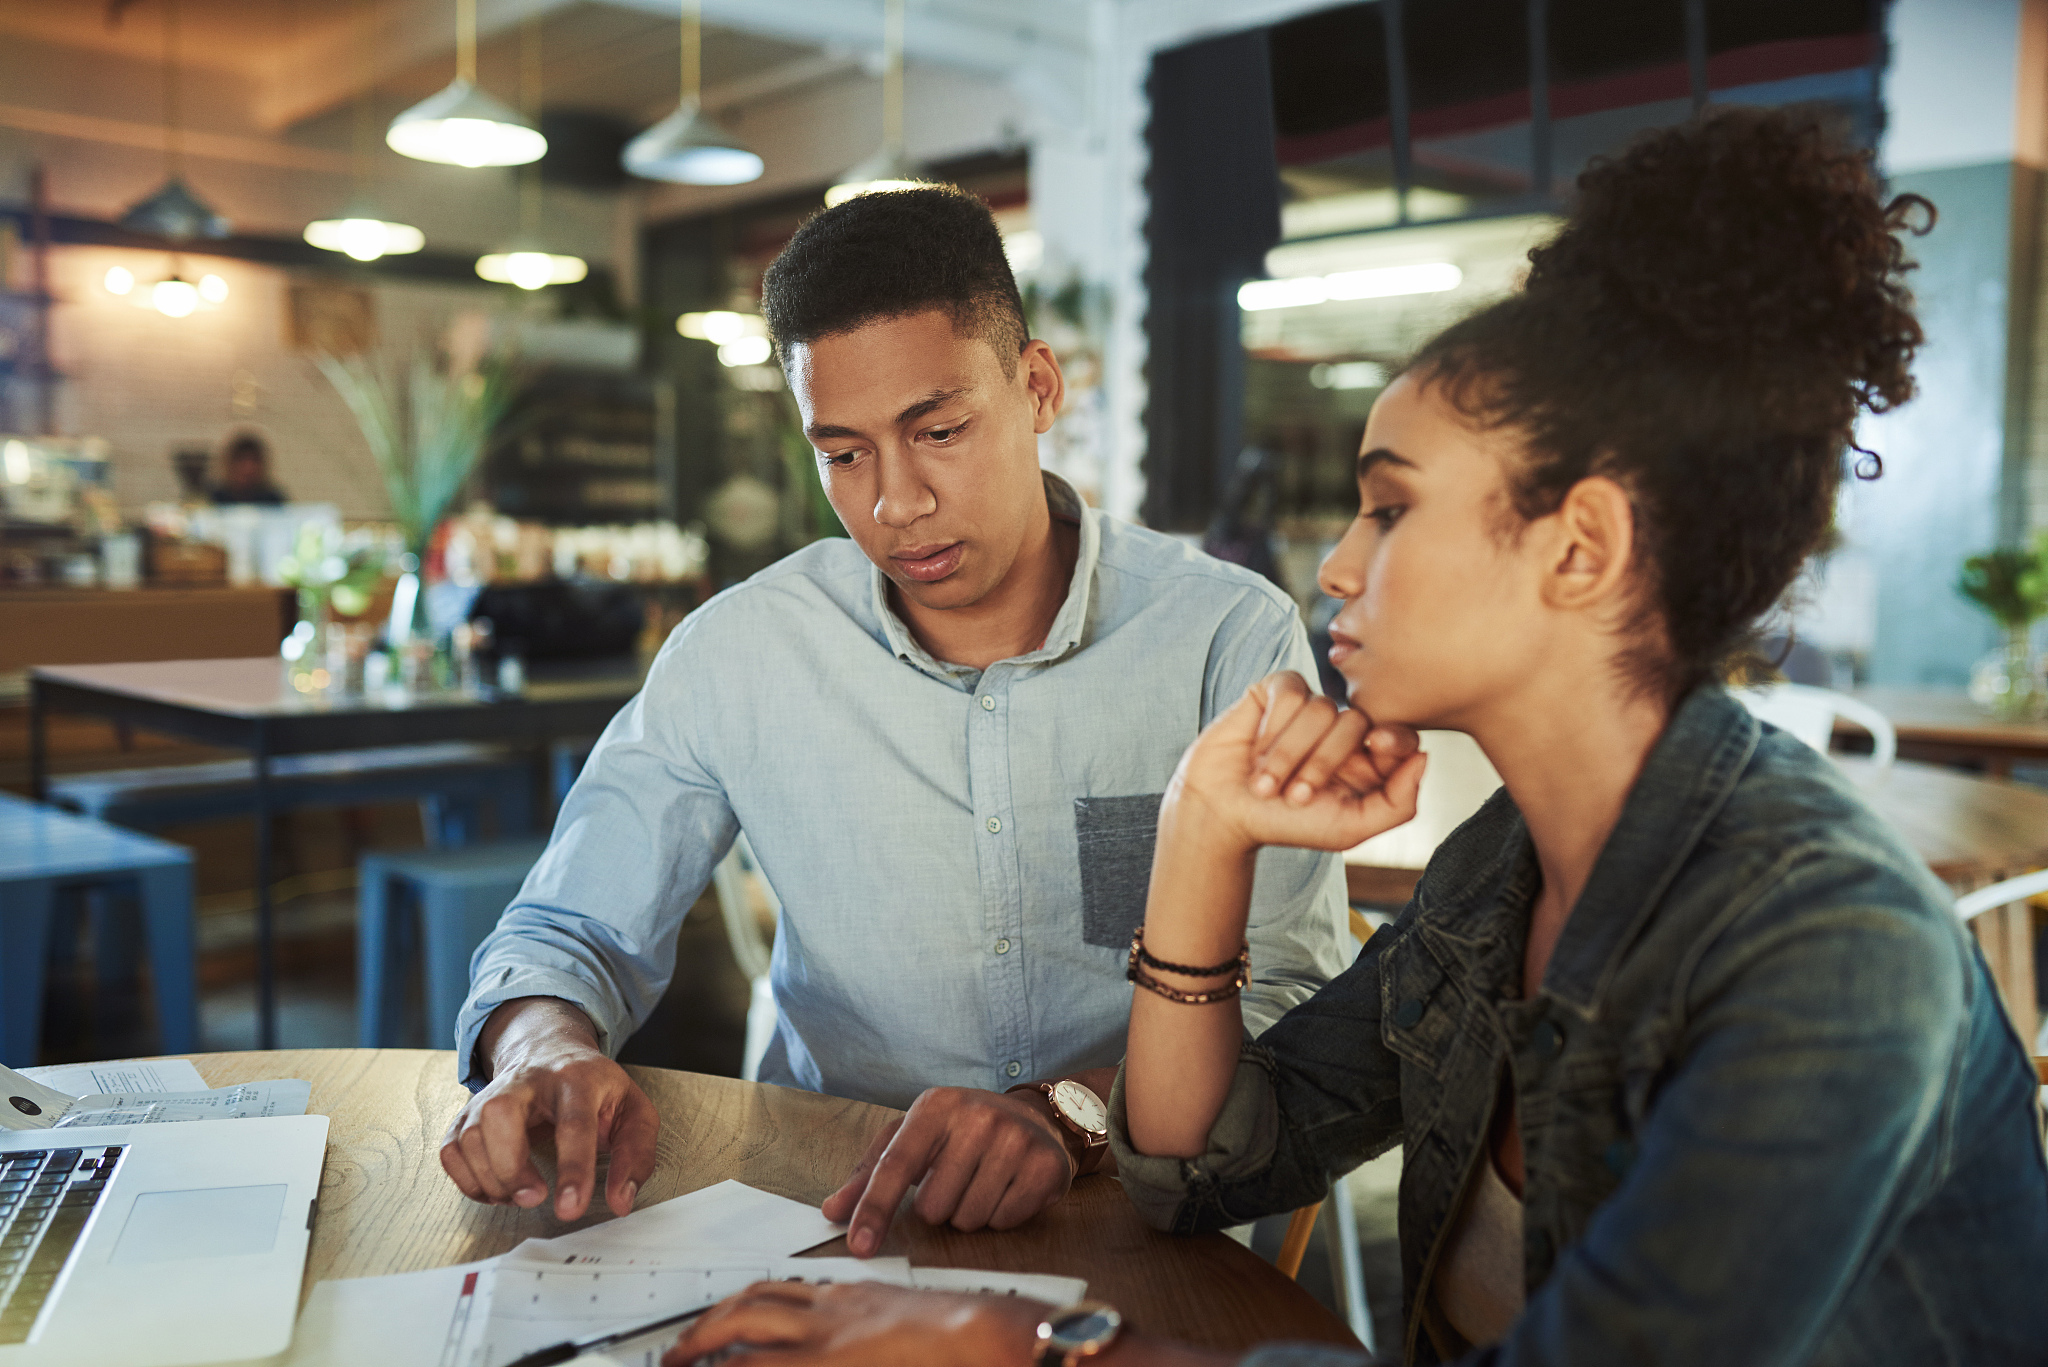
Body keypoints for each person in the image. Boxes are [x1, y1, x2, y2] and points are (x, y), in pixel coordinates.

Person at [659, 110, 2048, 1367]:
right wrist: (1204, 826)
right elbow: (1196, 1164)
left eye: (1389, 509)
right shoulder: (1504, 875)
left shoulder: (1826, 947)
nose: (1335, 565)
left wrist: (1038, 1348)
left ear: (1582, 547)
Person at [443, 186, 1349, 1252]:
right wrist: (544, 1045)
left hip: (1133, 1212)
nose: (895, 502)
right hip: (824, 1210)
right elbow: (567, 929)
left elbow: (1293, 999)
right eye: (844, 452)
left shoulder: (1222, 636)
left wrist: (1068, 1110)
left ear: (1037, 386)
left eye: (940, 430)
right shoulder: (744, 649)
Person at [210, 432, 287, 504]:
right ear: (230, 464)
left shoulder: (273, 500)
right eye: (241, 460)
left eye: (254, 461)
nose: (248, 469)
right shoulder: (214, 500)